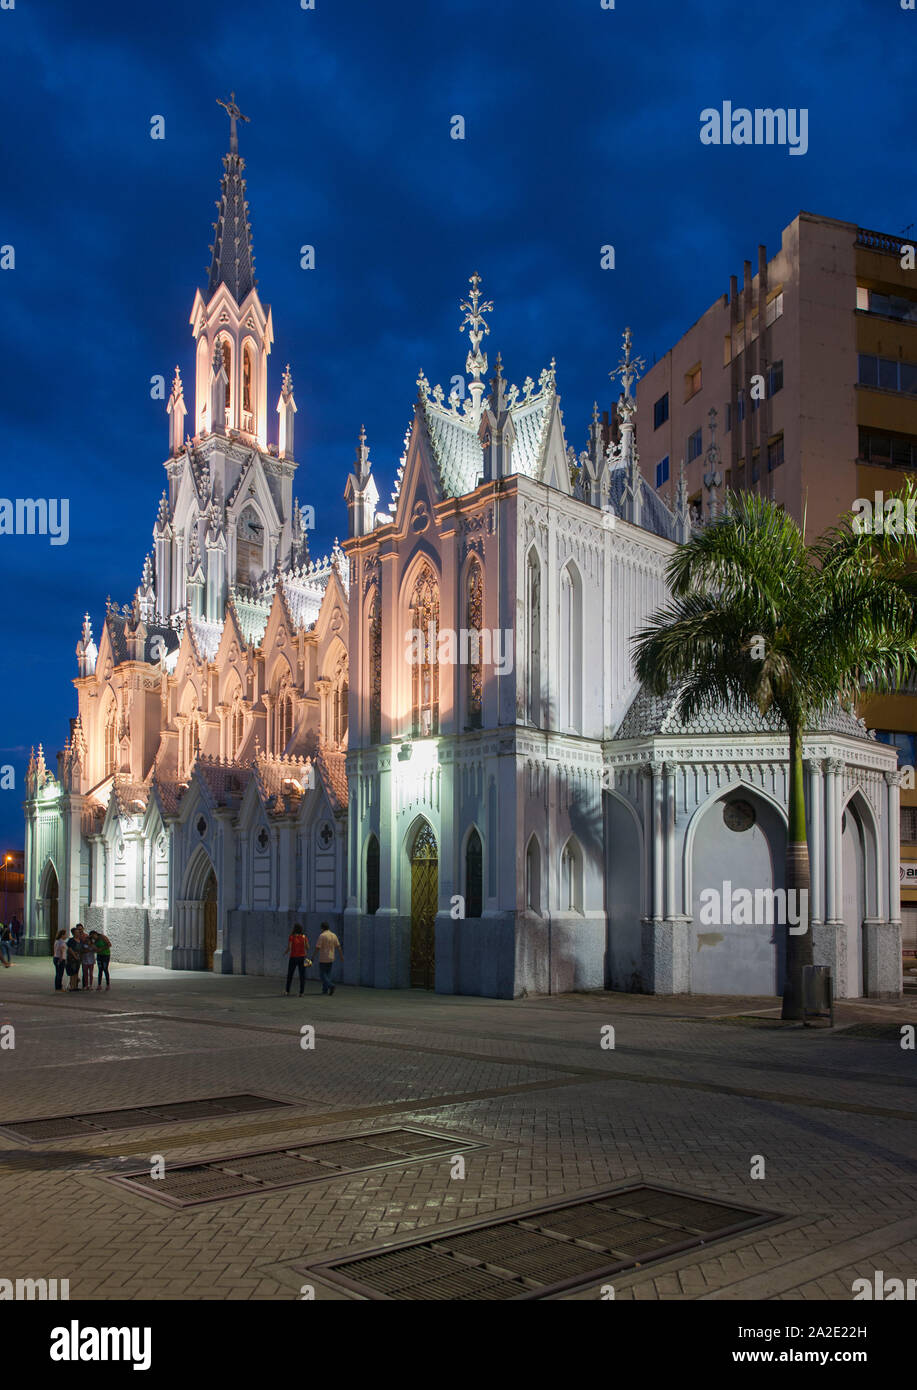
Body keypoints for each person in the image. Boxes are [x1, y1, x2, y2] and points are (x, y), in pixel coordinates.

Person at [315, 922, 342, 995]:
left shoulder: (322, 936)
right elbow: (338, 946)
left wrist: (313, 957)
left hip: (323, 957)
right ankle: (325, 990)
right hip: (331, 957)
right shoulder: (333, 935)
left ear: (322, 928)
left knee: (322, 974)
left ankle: (331, 985)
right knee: (328, 974)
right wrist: (341, 956)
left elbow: (318, 947)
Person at [283, 924, 310, 996]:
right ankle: (301, 992)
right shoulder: (304, 937)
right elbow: (308, 947)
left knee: (290, 974)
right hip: (302, 957)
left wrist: (285, 953)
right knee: (302, 975)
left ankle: (287, 991)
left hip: (293, 957)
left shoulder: (291, 937)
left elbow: (289, 947)